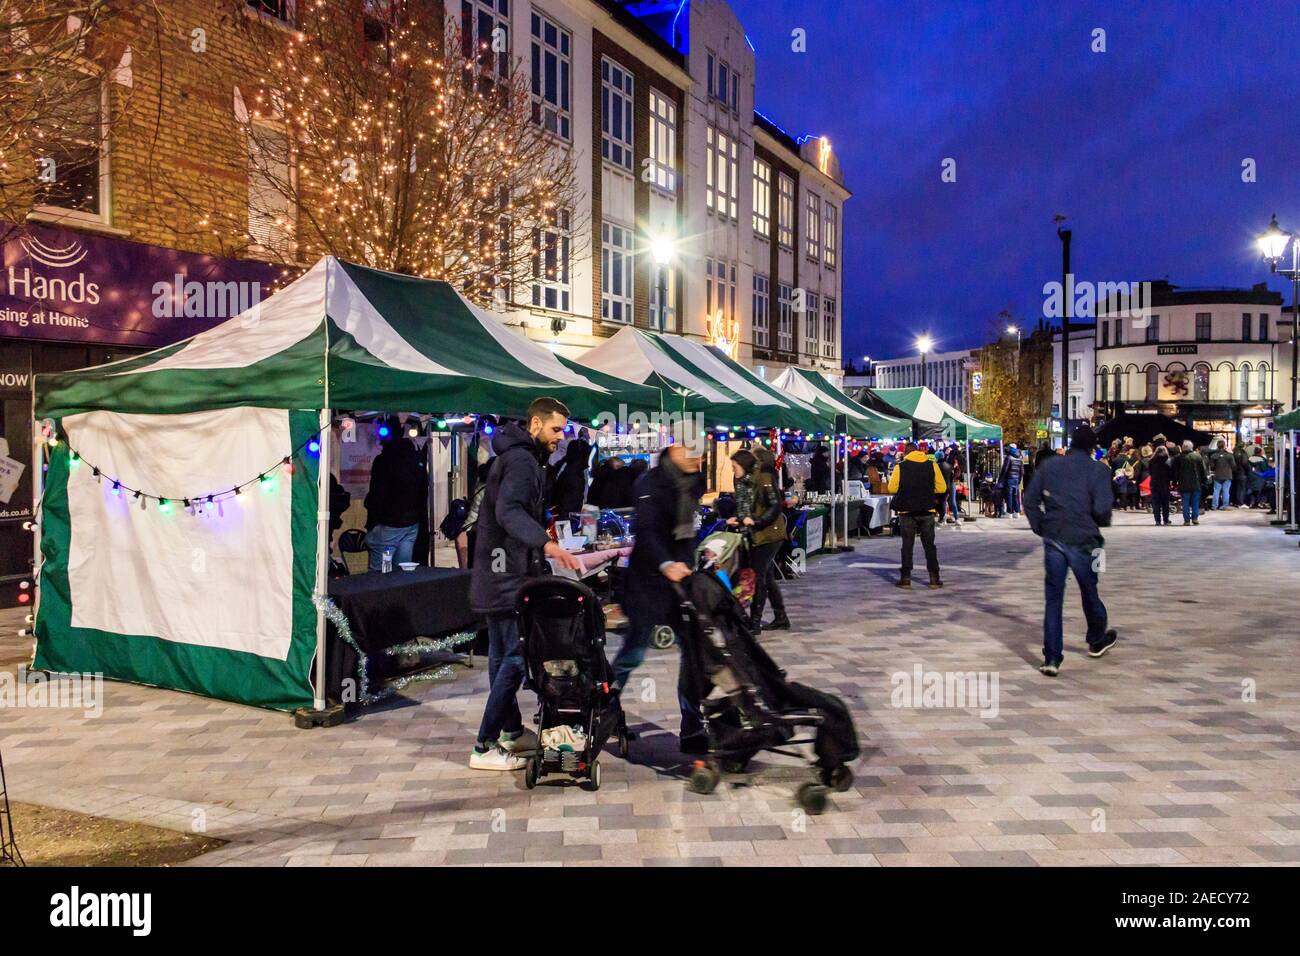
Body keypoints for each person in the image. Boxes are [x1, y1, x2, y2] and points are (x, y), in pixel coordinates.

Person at [468, 397, 583, 771]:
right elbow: (509, 511)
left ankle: (511, 731)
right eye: (555, 429)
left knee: (503, 656)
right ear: (534, 424)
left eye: (563, 431)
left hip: (500, 574)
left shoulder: (519, 457)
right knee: (516, 658)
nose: (560, 438)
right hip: (507, 576)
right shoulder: (520, 460)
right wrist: (546, 543)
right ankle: (483, 746)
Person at [612, 438, 708, 754]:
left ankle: (692, 726)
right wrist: (666, 563)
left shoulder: (694, 480)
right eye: (694, 452)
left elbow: (688, 529)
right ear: (677, 448)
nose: (700, 458)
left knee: (692, 651)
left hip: (681, 582)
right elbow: (648, 531)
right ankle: (604, 711)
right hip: (647, 581)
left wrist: (694, 557)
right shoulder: (650, 483)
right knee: (633, 653)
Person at [1022, 425, 1117, 676]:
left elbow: (1030, 499)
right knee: (1090, 588)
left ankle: (1052, 657)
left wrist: (1040, 525)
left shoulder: (1050, 466)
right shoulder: (1099, 470)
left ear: (1072, 443)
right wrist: (1098, 520)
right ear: (1092, 447)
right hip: (1087, 540)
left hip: (1053, 537)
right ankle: (1097, 638)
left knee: (1053, 598)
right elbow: (1102, 508)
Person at [728, 448, 790, 635]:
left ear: (745, 465)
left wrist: (757, 521)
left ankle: (754, 622)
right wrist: (737, 519)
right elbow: (743, 506)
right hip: (753, 534)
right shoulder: (740, 481)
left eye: (735, 466)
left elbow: (775, 506)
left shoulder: (764, 478)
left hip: (770, 534)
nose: (733, 470)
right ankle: (781, 618)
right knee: (766, 576)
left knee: (757, 575)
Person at [363, 416, 426, 571]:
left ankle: (380, 594)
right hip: (411, 522)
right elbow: (424, 487)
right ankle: (401, 595)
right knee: (402, 569)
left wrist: (372, 509)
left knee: (381, 573)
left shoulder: (383, 460)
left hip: (389, 523)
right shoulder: (416, 458)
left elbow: (378, 492)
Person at [887, 441, 947, 589]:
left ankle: (906, 578)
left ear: (906, 453)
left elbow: (891, 488)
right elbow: (942, 487)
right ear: (920, 451)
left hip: (906, 511)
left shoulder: (900, 467)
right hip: (927, 509)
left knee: (907, 545)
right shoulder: (931, 465)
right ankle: (934, 578)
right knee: (929, 545)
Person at [549, 431, 591, 519]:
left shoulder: (565, 465)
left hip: (562, 513)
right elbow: (568, 500)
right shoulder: (573, 472)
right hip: (565, 516)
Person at [1173, 439, 1207, 525]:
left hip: (1183, 484)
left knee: (1185, 502)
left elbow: (1176, 472)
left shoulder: (1178, 458)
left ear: (1183, 448)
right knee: (1195, 502)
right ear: (1191, 447)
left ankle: (1186, 520)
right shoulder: (1198, 457)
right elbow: (1203, 471)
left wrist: (1174, 482)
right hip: (1196, 483)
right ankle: (1195, 518)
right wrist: (1204, 480)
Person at [1146, 445, 1173, 526]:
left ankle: (1157, 521)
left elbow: (1150, 472)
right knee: (1165, 503)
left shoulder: (1151, 461)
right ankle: (1166, 520)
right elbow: (1171, 473)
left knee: (1156, 503)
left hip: (1154, 484)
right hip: (1165, 484)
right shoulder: (1168, 460)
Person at [1208, 440, 1234, 511]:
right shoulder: (1229, 455)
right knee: (1226, 491)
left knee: (1216, 491)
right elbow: (1233, 466)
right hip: (1227, 475)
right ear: (1224, 446)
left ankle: (1214, 506)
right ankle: (1225, 506)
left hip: (1217, 475)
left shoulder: (1214, 456)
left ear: (1217, 446)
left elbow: (1212, 467)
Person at [998, 446, 1023, 517]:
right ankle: (1017, 512)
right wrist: (1019, 479)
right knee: (1016, 495)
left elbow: (1005, 469)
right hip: (1016, 479)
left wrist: (1001, 479)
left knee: (1009, 495)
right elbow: (1022, 471)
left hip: (1009, 478)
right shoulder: (1019, 458)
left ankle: (1009, 512)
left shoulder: (1008, 457)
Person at [936, 450, 955, 523]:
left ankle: (942, 516)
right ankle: (942, 516)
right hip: (948, 486)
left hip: (940, 486)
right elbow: (951, 477)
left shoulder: (937, 466)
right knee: (943, 501)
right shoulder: (949, 465)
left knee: (938, 502)